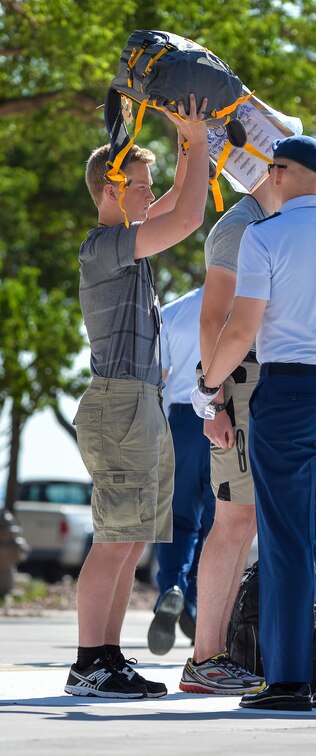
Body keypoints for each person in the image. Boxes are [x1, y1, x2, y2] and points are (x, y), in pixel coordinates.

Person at [192, 135, 316, 712]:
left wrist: (207, 385)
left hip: (288, 391)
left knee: (284, 540)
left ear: (278, 173)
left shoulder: (263, 236)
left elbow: (243, 328)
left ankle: (290, 681)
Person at [65, 96, 209, 699]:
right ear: (111, 189)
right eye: (141, 187)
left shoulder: (126, 235)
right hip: (120, 403)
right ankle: (88, 663)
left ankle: (109, 657)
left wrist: (188, 146)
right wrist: (198, 144)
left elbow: (179, 202)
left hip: (139, 403)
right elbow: (185, 220)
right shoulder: (104, 246)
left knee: (131, 542)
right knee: (115, 539)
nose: (150, 196)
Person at [178, 176, 277, 695]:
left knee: (247, 521)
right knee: (233, 520)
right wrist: (212, 399)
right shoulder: (238, 226)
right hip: (237, 384)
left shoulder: (270, 224)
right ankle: (203, 658)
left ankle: (216, 656)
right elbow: (213, 317)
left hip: (264, 381)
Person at [147, 286, 215, 656]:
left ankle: (172, 589)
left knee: (178, 519)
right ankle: (196, 601)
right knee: (218, 525)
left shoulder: (173, 310)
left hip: (182, 422)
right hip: (225, 418)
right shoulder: (247, 302)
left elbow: (159, 375)